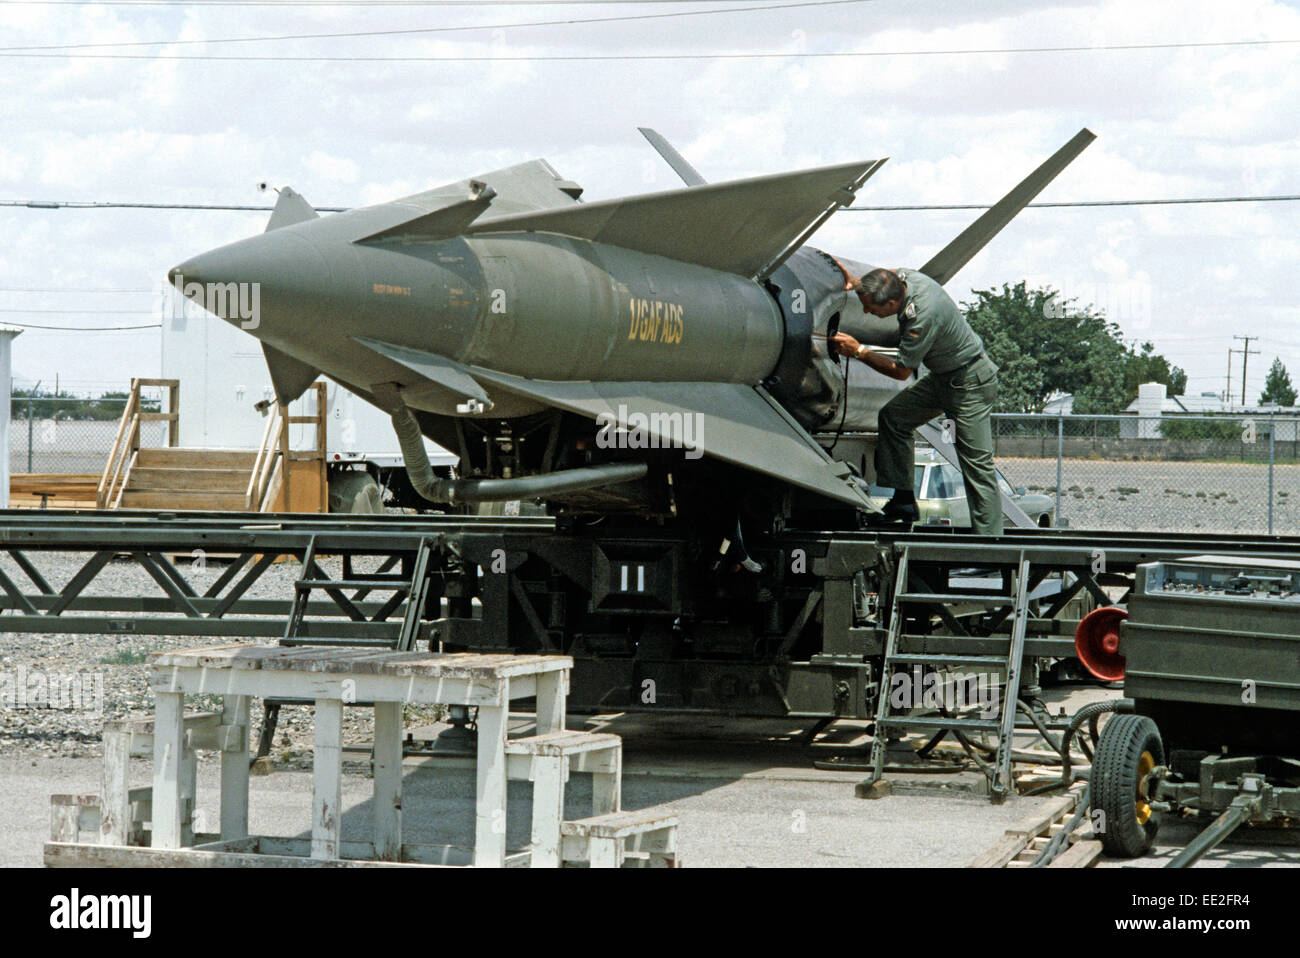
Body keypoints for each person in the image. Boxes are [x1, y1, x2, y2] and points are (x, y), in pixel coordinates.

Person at [829, 262, 1003, 535]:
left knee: (976, 466)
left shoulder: (921, 315)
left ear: (894, 302)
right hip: (943, 378)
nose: (865, 312)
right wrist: (857, 281)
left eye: (872, 309)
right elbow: (883, 276)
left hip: (970, 383)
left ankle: (991, 542)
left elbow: (901, 371)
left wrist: (859, 351)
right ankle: (903, 502)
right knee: (894, 418)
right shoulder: (902, 277)